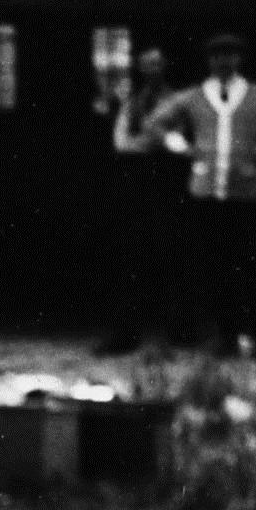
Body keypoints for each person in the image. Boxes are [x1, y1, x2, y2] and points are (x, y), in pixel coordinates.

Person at [130, 33, 256, 351]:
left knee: (252, 266)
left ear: (240, 60)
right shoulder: (194, 96)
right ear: (209, 62)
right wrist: (179, 145)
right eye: (218, 57)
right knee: (213, 268)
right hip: (206, 194)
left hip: (246, 193)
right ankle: (222, 337)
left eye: (231, 56)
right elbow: (155, 122)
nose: (225, 63)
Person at [98, 42, 179, 351]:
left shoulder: (177, 100)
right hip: (136, 183)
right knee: (130, 255)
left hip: (170, 183)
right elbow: (121, 141)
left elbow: (177, 139)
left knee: (171, 256)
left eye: (156, 64)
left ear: (165, 66)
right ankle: (125, 333)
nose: (151, 71)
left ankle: (175, 333)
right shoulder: (132, 101)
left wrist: (147, 142)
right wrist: (148, 143)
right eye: (146, 65)